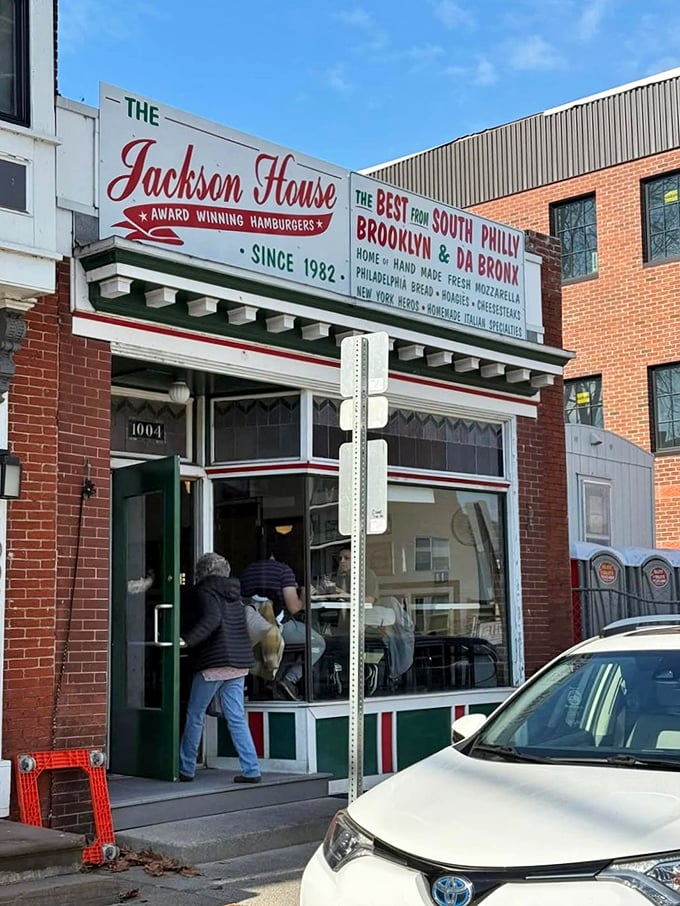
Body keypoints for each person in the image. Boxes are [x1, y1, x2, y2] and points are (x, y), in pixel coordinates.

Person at [178, 552, 261, 784]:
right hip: (238, 662)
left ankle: (186, 768)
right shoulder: (234, 593)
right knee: (236, 717)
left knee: (195, 714)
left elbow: (212, 620)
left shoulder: (205, 591)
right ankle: (251, 769)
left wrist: (187, 640)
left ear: (201, 573)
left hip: (214, 662)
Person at [241, 546, 326, 701]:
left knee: (287, 647)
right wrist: (305, 595)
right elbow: (294, 607)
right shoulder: (283, 571)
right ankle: (289, 680)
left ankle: (273, 683)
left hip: (252, 630)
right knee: (318, 643)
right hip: (277, 627)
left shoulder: (248, 570)